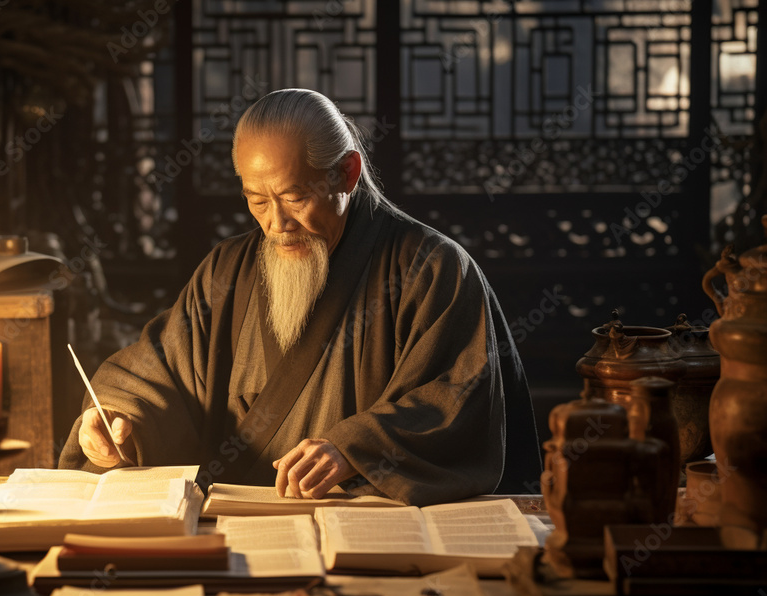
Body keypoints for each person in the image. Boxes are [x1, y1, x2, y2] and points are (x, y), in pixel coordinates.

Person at [59, 88, 539, 506]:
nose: (276, 224)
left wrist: (354, 449)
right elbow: (158, 368)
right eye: (257, 200)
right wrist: (120, 421)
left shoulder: (431, 271)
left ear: (346, 174)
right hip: (236, 527)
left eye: (294, 197)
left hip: (363, 530)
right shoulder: (226, 272)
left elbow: (457, 401)